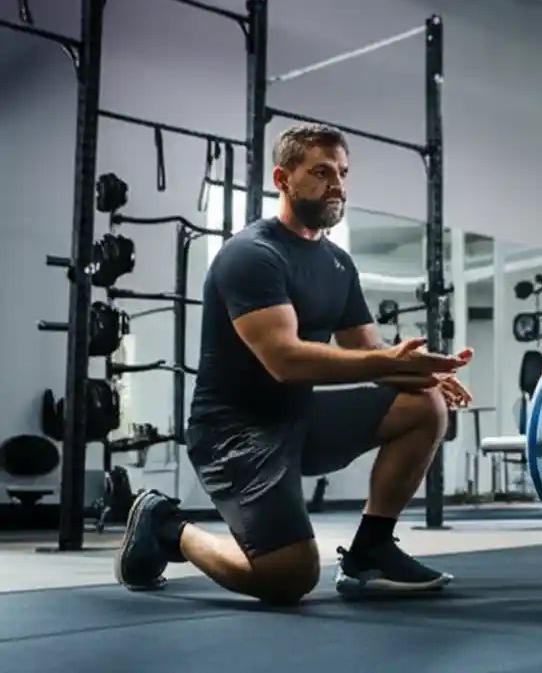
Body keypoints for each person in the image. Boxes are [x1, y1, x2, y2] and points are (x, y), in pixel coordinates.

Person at [114, 123, 474, 606]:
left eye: (343, 173)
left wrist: (420, 373)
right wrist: (389, 361)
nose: (338, 185)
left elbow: (365, 352)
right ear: (283, 178)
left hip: (297, 421)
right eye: (322, 172)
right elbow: (284, 360)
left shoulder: (339, 264)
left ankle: (371, 549)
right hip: (233, 435)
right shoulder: (251, 255)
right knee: (289, 576)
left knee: (425, 405)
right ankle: (167, 525)